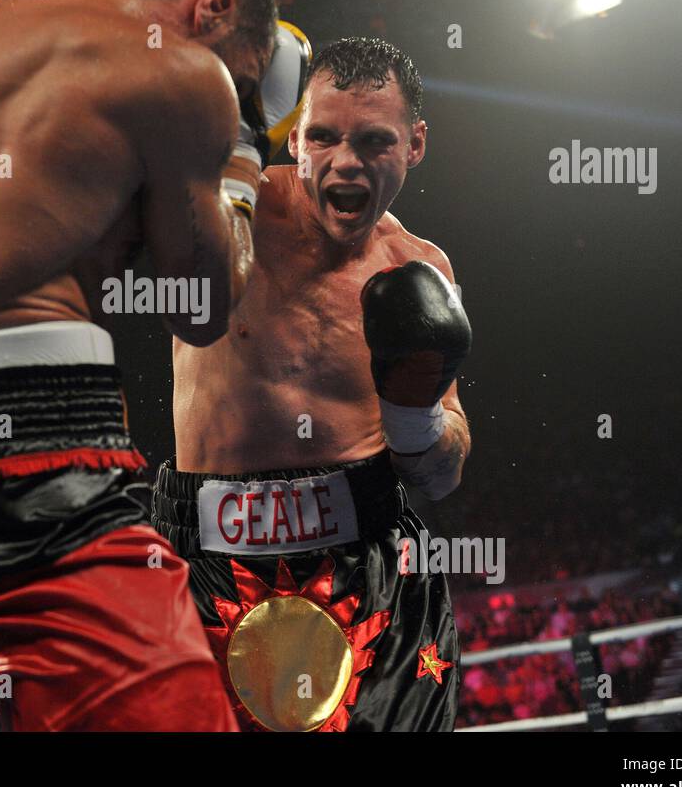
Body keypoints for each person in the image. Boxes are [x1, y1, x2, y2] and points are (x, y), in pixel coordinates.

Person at [0, 0, 290, 731]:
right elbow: (201, 309)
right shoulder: (179, 71)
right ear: (212, 9)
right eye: (242, 79)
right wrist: (238, 159)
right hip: (34, 466)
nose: (230, 98)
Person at [151, 37, 473, 731]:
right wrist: (228, 129)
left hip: (369, 560)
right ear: (293, 136)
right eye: (322, 136)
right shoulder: (231, 210)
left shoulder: (421, 267)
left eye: (374, 141)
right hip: (207, 557)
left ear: (415, 144)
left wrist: (413, 413)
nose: (344, 162)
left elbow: (441, 475)